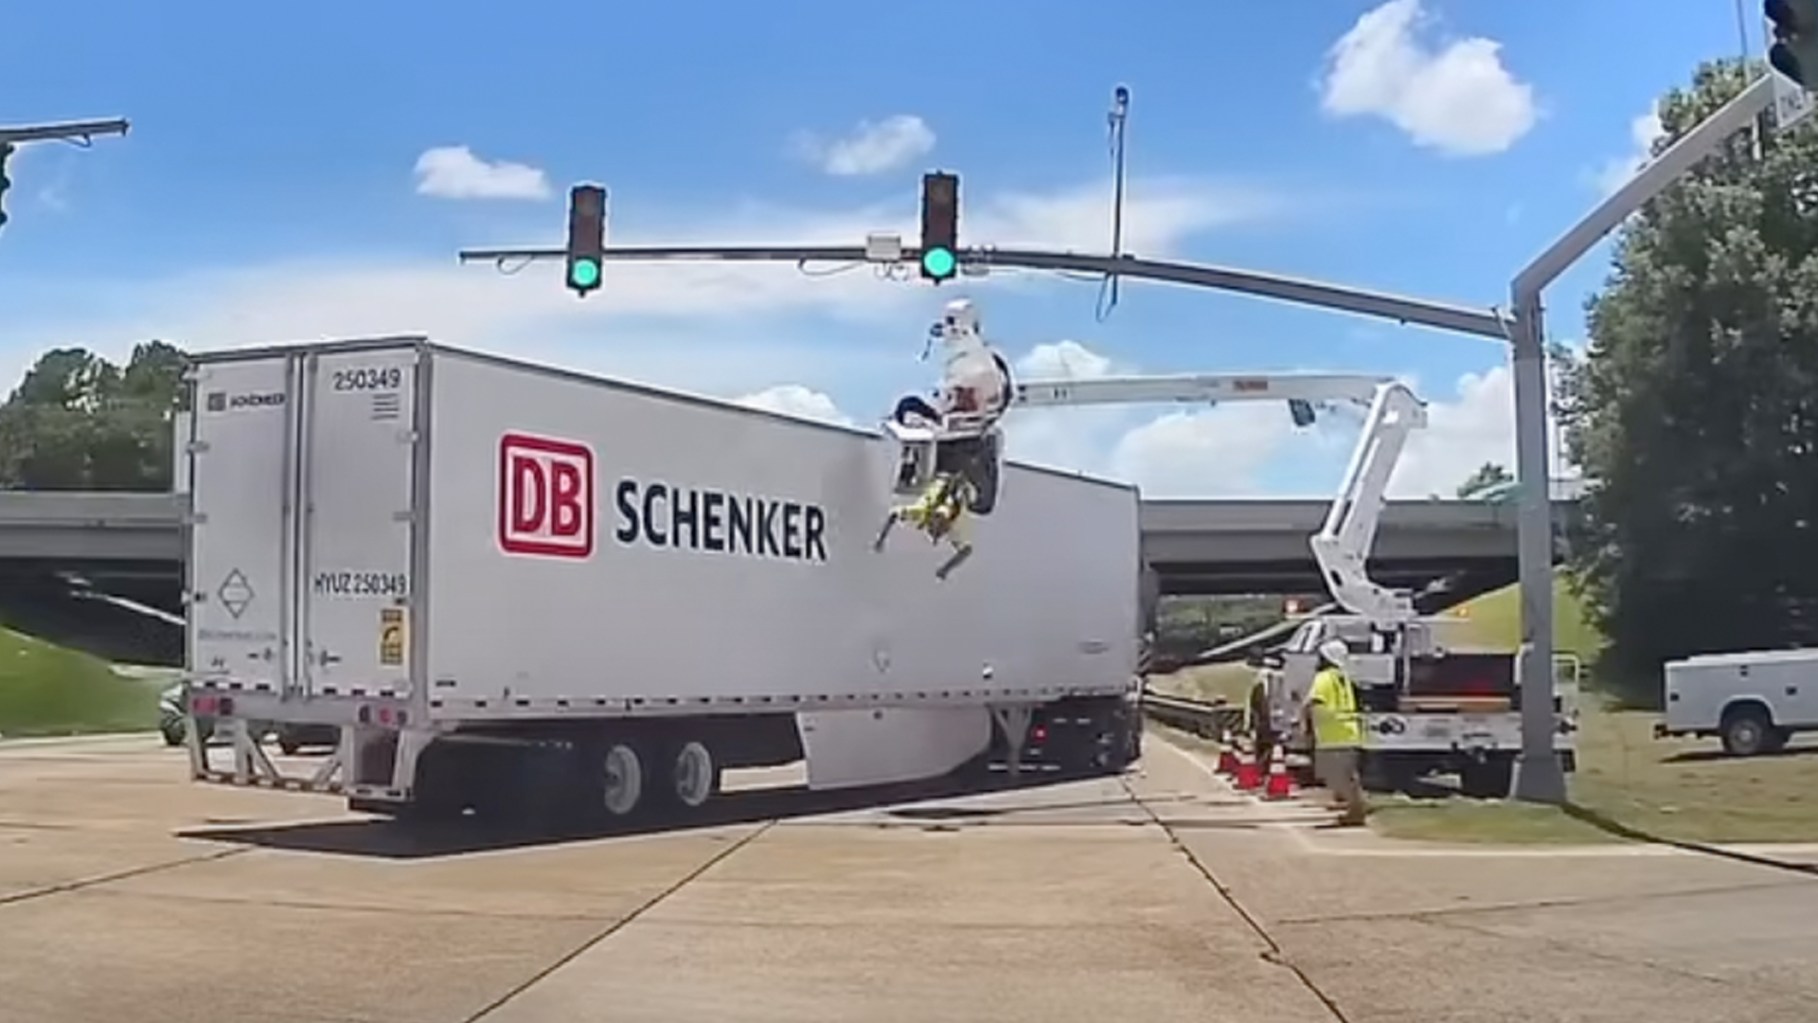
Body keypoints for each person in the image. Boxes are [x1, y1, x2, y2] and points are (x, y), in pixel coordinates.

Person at [1303, 638, 1367, 826]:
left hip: (1332, 734)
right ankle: (1355, 809)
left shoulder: (1323, 678)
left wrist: (1306, 726)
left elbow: (1316, 702)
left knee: (1335, 776)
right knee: (1348, 775)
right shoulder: (1344, 677)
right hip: (1349, 732)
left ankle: (1357, 808)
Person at [1247, 672, 1277, 773]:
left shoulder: (1277, 687)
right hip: (1261, 723)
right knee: (1260, 747)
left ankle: (1267, 768)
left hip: (1273, 721)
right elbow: (1253, 707)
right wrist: (1252, 725)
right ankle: (1260, 769)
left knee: (1272, 748)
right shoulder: (1257, 688)